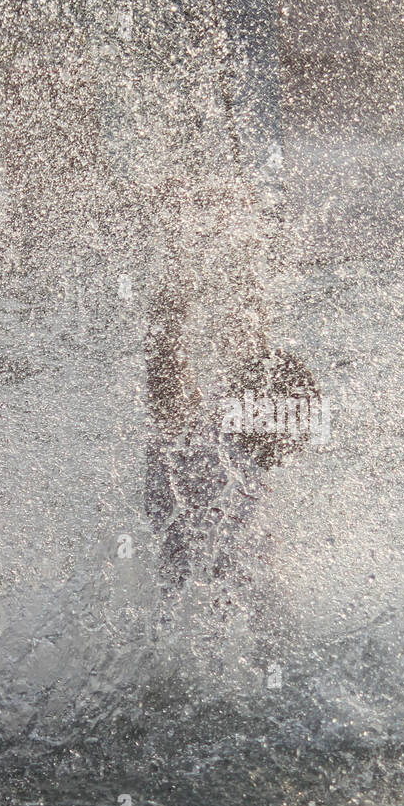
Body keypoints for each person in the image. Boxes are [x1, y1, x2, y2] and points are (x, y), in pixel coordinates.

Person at [144, 184, 319, 597]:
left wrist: (183, 243)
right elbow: (248, 345)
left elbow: (163, 341)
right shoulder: (253, 468)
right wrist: (240, 248)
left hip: (183, 617)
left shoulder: (185, 448)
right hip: (257, 615)